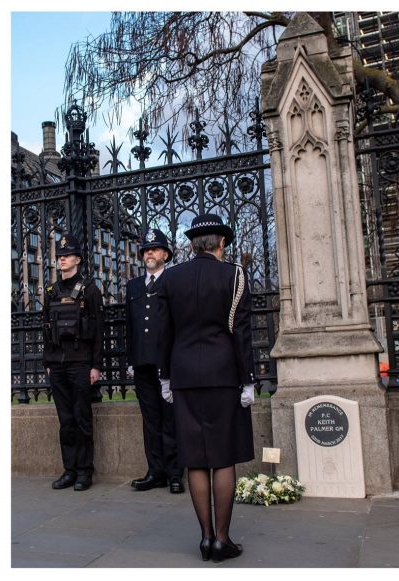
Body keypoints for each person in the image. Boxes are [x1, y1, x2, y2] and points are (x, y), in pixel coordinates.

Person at [158, 214, 256, 562]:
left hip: (184, 374)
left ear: (192, 244)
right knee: (223, 456)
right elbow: (241, 332)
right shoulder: (233, 275)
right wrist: (248, 379)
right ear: (221, 243)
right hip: (223, 373)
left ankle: (204, 538)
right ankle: (222, 540)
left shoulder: (171, 277)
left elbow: (164, 332)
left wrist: (165, 376)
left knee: (196, 458)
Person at [43, 234, 104, 492]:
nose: (62, 259)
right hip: (57, 365)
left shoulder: (90, 290)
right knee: (65, 421)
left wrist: (96, 366)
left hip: (80, 364)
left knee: (81, 418)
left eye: (67, 255)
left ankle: (84, 471)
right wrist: (48, 362)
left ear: (78, 259)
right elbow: (46, 328)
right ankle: (69, 470)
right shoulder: (51, 291)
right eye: (59, 256)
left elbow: (98, 330)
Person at [125, 229, 183, 494]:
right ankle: (155, 471)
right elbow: (130, 326)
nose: (149, 253)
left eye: (154, 249)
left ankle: (174, 473)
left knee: (170, 419)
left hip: (167, 363)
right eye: (146, 250)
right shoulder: (134, 286)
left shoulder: (173, 281)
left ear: (165, 255)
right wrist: (130, 360)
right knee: (150, 420)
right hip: (142, 363)